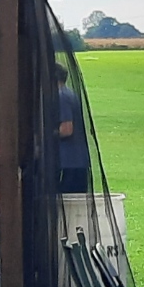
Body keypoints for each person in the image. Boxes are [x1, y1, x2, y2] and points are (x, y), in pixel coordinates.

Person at [56, 63, 91, 193]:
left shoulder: (61, 97)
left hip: (68, 162)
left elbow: (66, 129)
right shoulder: (68, 94)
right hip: (76, 161)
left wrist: (46, 135)